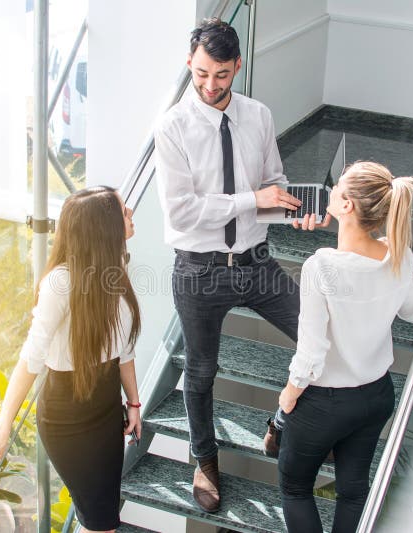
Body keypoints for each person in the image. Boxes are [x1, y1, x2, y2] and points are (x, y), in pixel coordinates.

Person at [154, 18, 328, 513]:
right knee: (202, 371)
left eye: (222, 76)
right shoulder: (172, 127)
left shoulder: (258, 116)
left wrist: (291, 210)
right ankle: (204, 460)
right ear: (190, 63)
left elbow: (273, 181)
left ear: (237, 68)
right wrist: (254, 199)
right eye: (202, 74)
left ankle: (280, 423)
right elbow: (182, 210)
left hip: (256, 263)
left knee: (321, 337)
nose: (210, 86)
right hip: (198, 271)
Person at [274, 162, 413, 533]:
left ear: (347, 206)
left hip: (323, 403)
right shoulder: (397, 254)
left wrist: (287, 398)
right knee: (353, 492)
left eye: (336, 189)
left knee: (295, 487)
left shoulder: (321, 267)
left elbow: (311, 354)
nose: (328, 192)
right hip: (375, 397)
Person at [0, 186, 142, 533]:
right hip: (70, 421)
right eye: (124, 212)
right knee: (100, 522)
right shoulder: (60, 284)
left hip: (108, 408)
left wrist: (133, 402)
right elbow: (30, 359)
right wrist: (3, 428)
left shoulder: (115, 266)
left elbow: (124, 351)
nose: (131, 215)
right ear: (103, 227)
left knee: (104, 516)